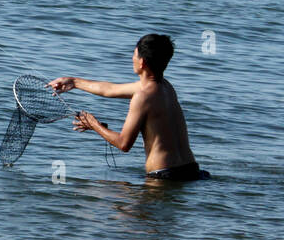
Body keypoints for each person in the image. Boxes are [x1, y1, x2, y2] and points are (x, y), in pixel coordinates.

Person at [48, 34, 209, 181]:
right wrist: (74, 82)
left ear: (142, 62)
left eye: (134, 54)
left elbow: (124, 144)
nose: (132, 58)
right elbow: (109, 89)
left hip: (164, 177)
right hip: (191, 171)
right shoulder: (166, 87)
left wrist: (93, 124)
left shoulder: (143, 96)